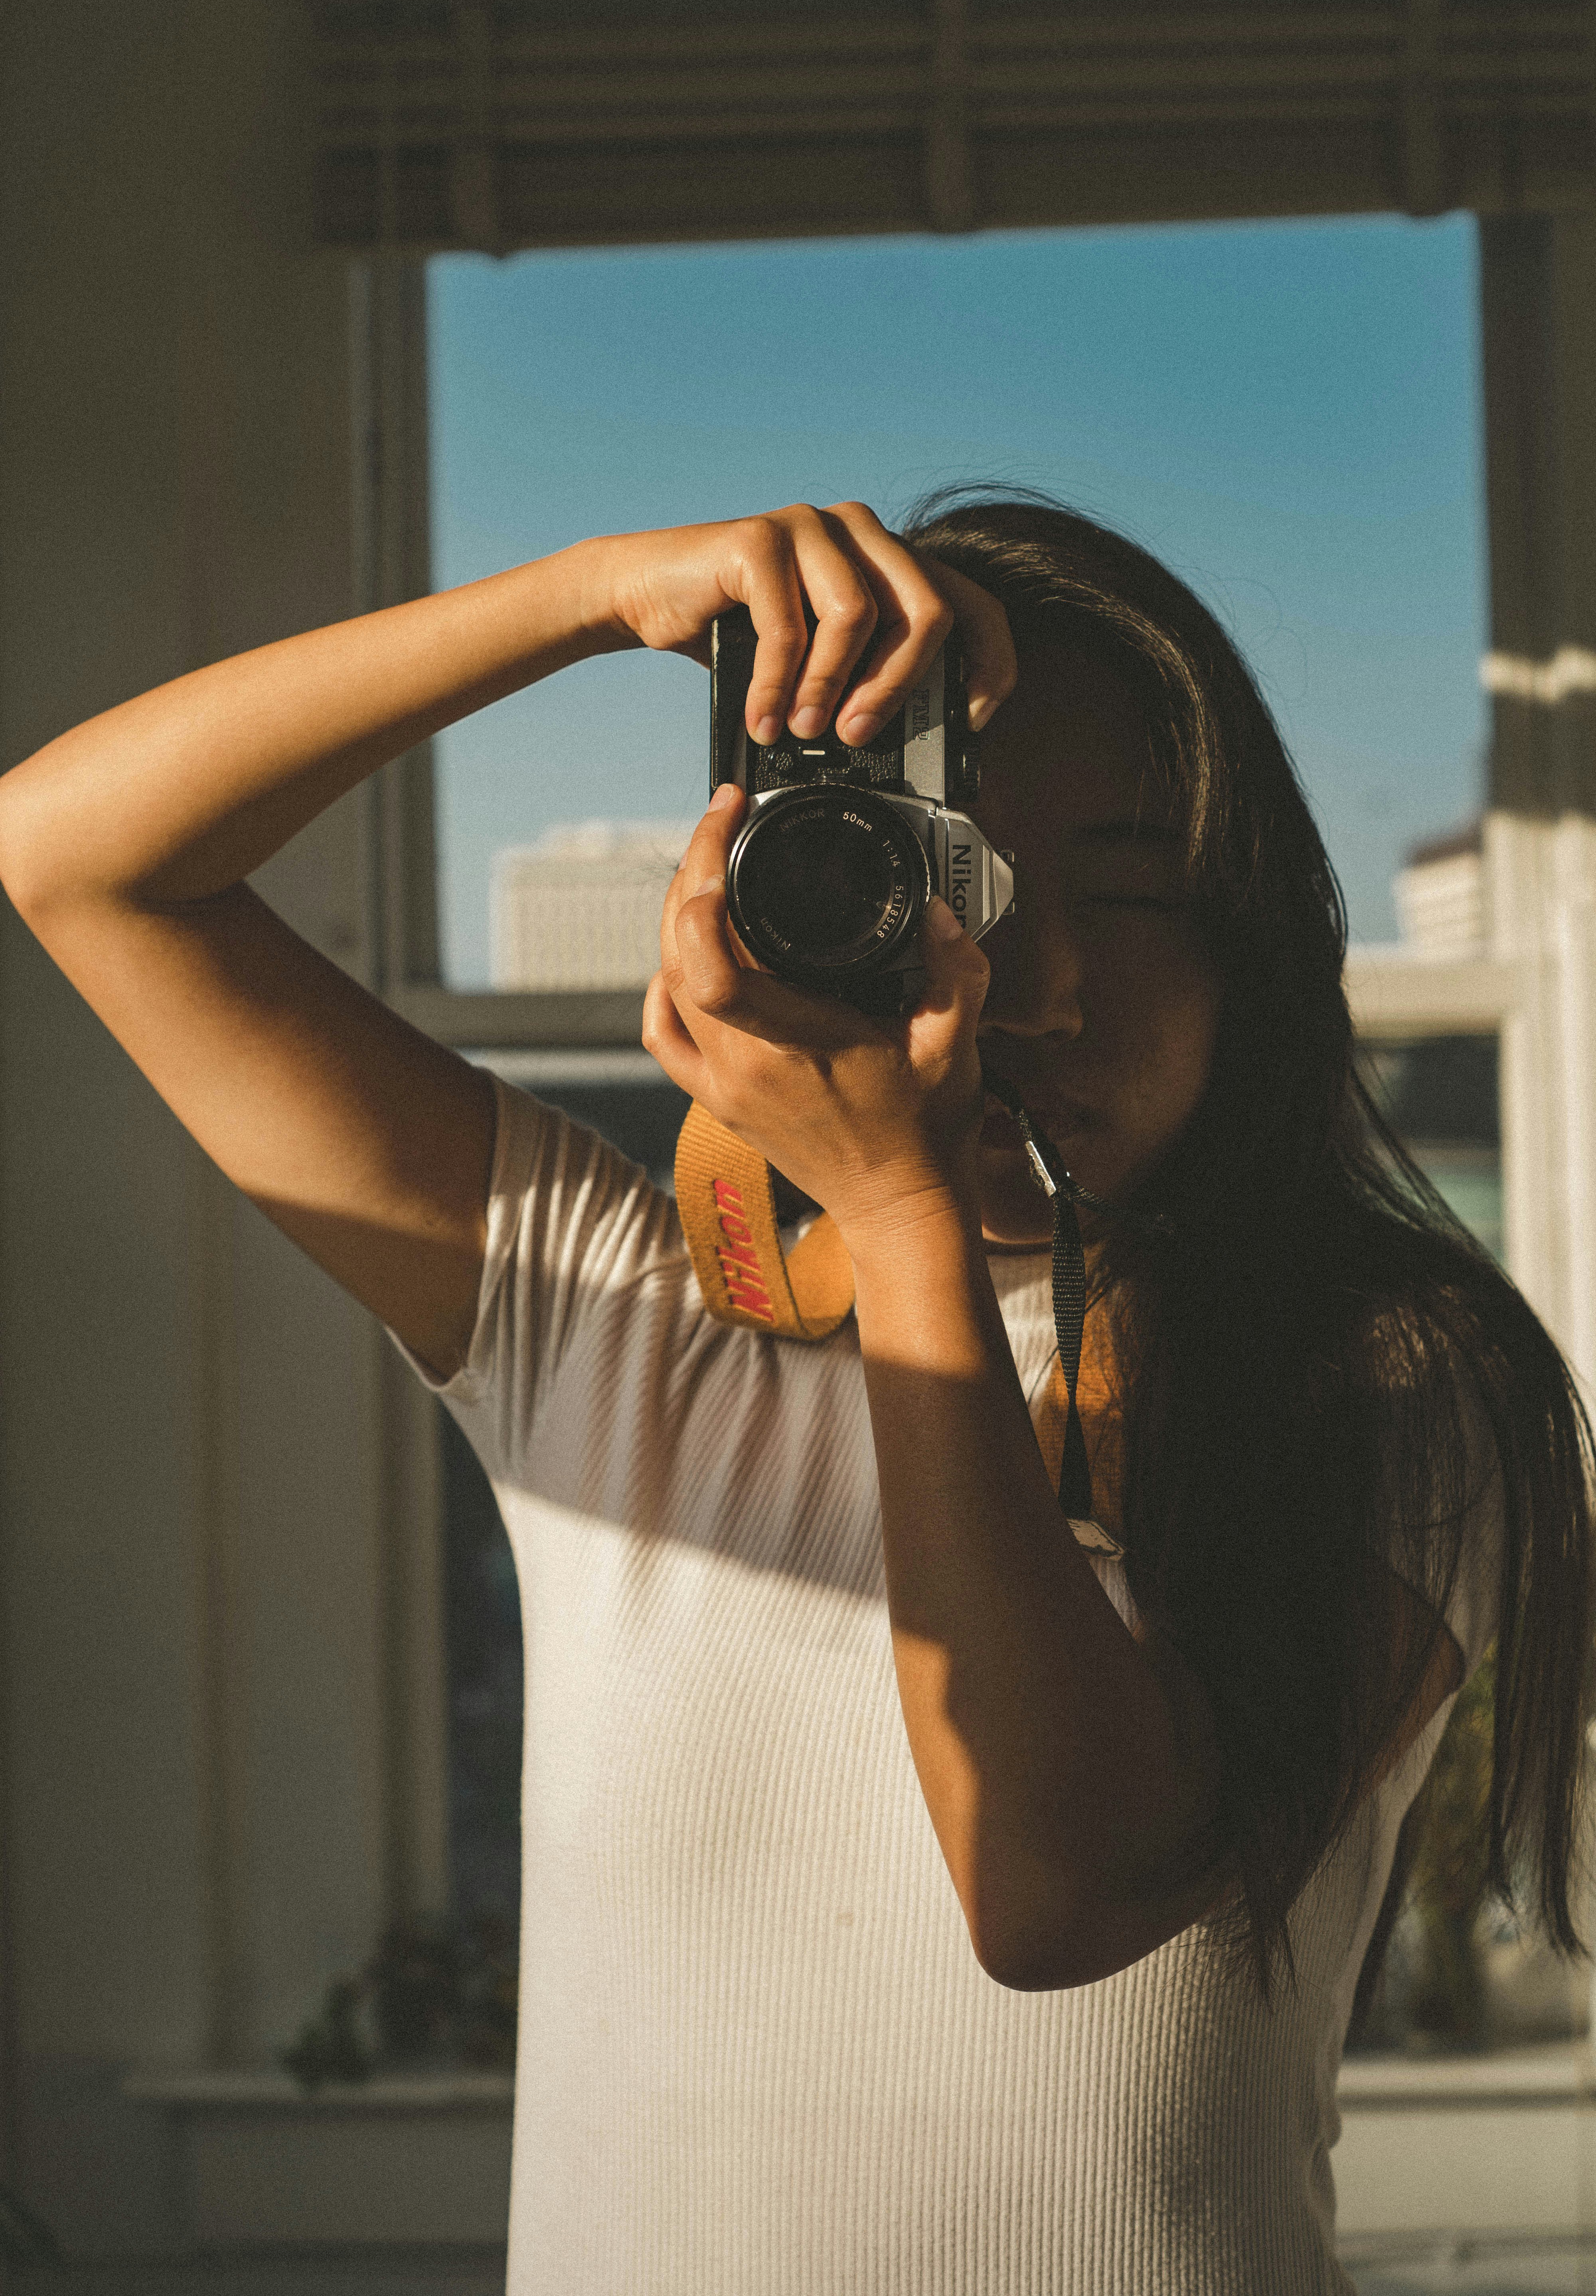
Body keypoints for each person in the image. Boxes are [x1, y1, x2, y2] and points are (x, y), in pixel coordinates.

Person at [0, 490, 1589, 2292]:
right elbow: (78, 856)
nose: (1042, 984)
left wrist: (902, 1209)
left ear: (1261, 957)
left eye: (1139, 896)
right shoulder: (616, 1312)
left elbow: (1055, 1887)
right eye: (953, 879)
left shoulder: (1393, 1380)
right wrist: (597, 596)